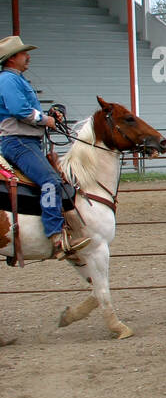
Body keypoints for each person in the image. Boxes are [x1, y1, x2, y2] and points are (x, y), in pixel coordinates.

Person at [0, 36, 88, 259]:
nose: (28, 56)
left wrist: (48, 116)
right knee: (50, 181)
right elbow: (20, 110)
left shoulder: (17, 79)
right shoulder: (8, 80)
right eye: (23, 53)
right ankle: (56, 235)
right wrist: (45, 120)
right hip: (19, 142)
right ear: (12, 58)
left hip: (26, 141)